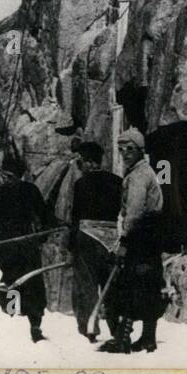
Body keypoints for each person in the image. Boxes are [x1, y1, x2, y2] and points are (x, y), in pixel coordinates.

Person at [101, 128, 166, 354]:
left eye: (130, 149)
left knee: (130, 285)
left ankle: (122, 339)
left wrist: (125, 241)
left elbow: (135, 212)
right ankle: (148, 338)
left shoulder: (139, 176)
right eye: (121, 150)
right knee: (149, 285)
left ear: (140, 150)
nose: (125, 154)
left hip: (141, 236)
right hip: (150, 236)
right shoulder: (144, 171)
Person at [0, 151, 53, 342]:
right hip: (26, 242)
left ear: (10, 175)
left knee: (11, 283)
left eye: (5, 175)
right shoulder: (31, 190)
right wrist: (42, 237)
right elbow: (45, 217)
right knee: (30, 282)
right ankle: (34, 323)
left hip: (5, 244)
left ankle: (15, 320)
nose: (3, 179)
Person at [68, 141, 122, 342]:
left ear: (89, 163)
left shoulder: (81, 184)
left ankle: (89, 329)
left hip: (87, 237)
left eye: (82, 163)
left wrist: (71, 245)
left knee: (87, 284)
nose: (81, 167)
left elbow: (76, 216)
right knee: (111, 284)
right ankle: (117, 327)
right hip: (111, 238)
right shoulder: (118, 181)